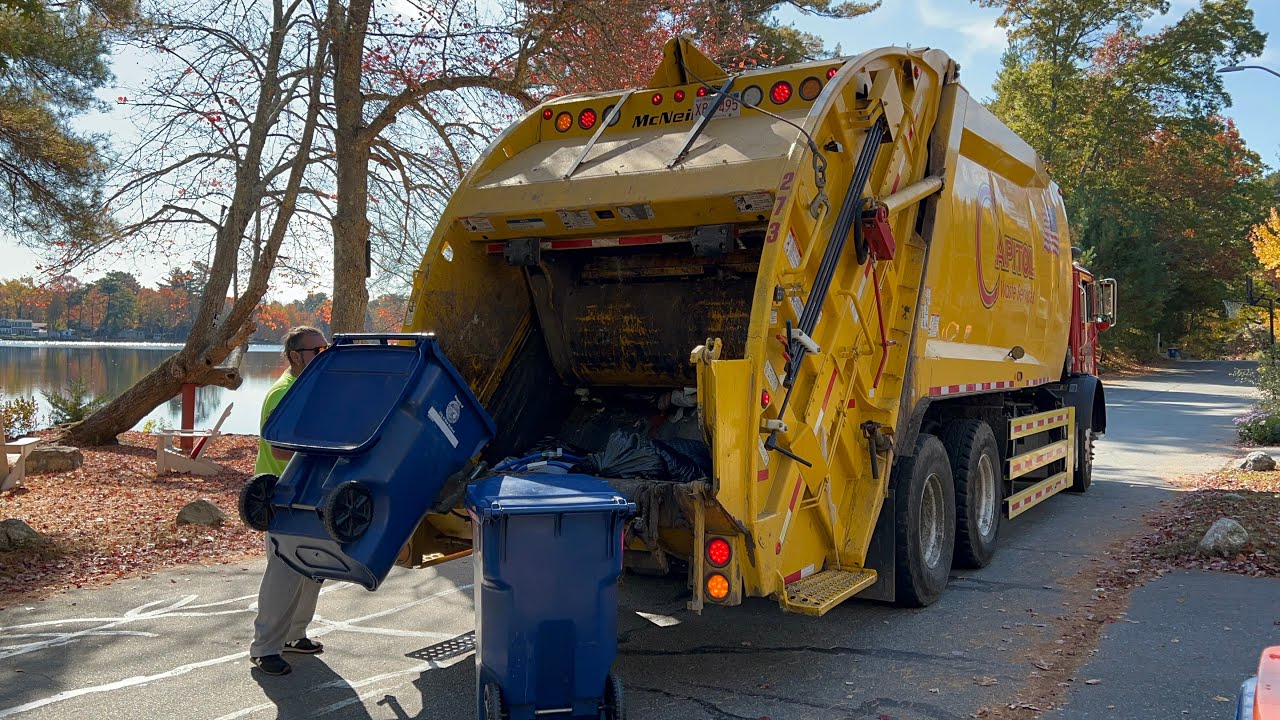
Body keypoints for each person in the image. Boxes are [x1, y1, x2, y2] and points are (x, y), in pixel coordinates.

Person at [249, 326, 330, 676]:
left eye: (327, 347)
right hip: (282, 496)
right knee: (284, 573)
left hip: (311, 493)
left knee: (312, 570)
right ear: (296, 356)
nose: (324, 353)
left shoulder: (312, 388)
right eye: (317, 349)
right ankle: (265, 648)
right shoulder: (283, 392)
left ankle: (295, 634)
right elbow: (280, 449)